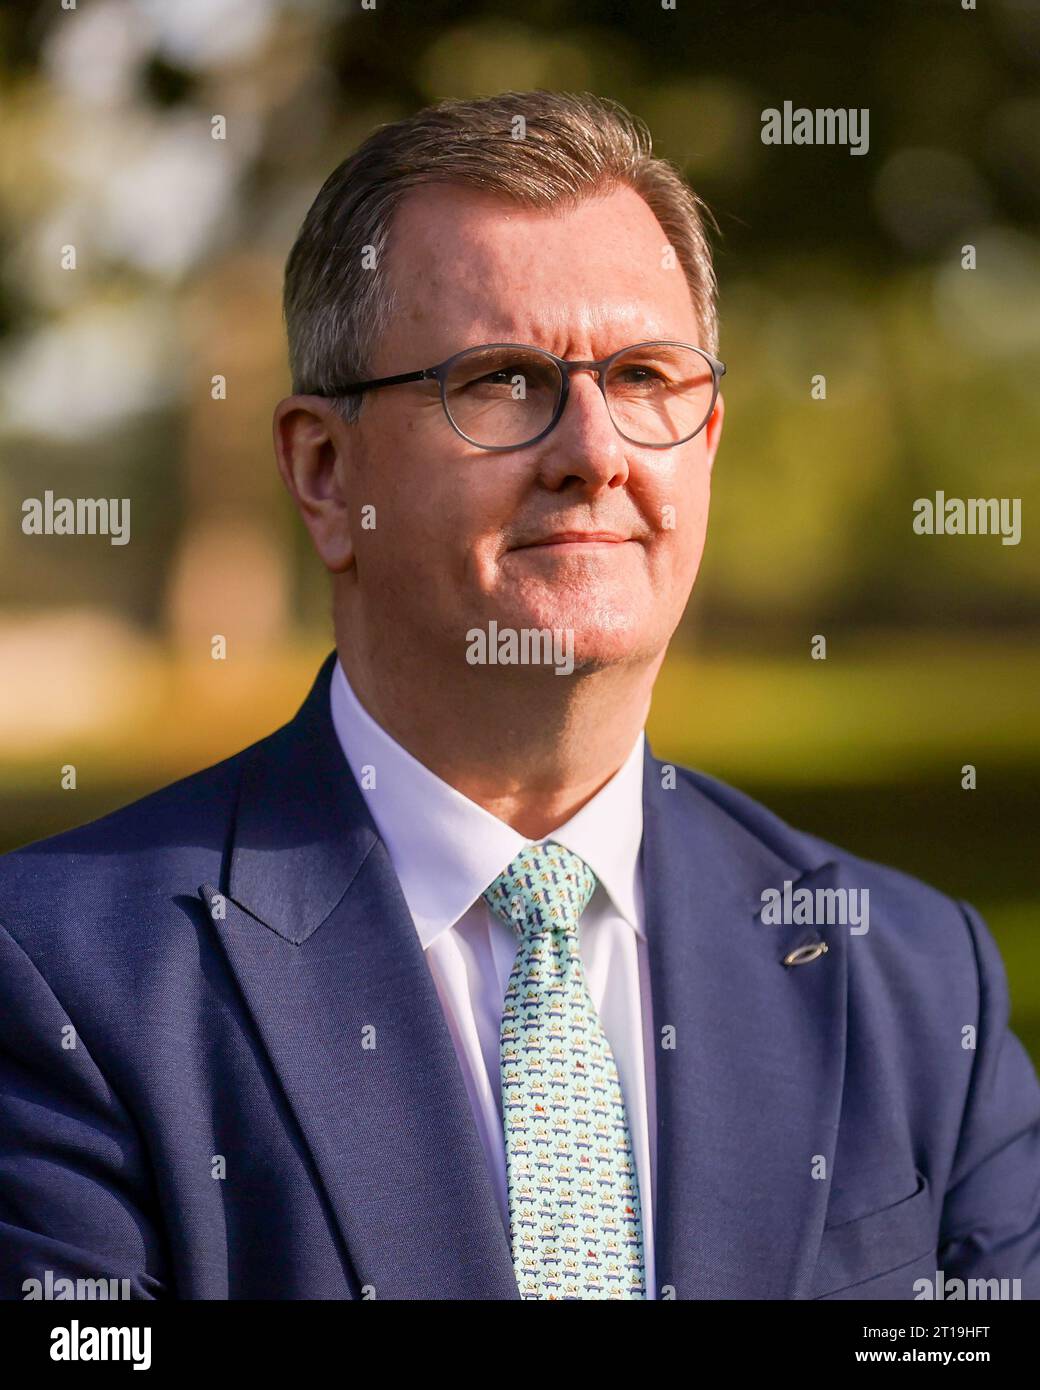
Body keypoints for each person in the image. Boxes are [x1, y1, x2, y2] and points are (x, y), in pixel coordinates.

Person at [1, 91, 1037, 1302]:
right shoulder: (62, 977)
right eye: (499, 381)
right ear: (325, 473)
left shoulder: (913, 980)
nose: (593, 450)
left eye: (646, 374)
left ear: (703, 446)